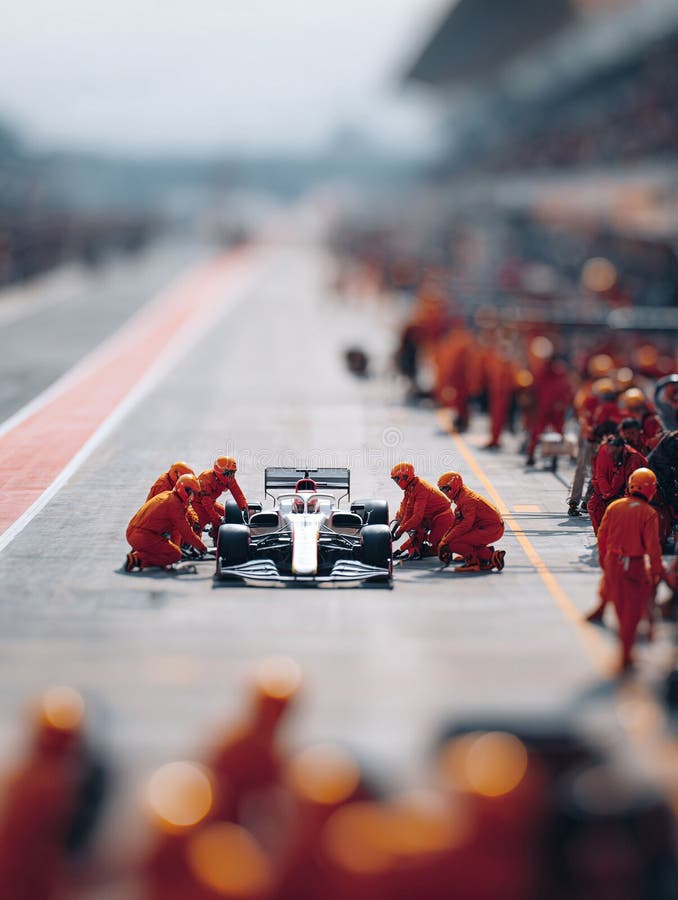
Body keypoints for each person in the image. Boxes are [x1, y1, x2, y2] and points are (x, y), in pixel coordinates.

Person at [594, 468, 665, 672]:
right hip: (634, 566)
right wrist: (657, 572)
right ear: (651, 489)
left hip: (613, 562)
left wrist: (604, 562)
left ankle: (626, 651)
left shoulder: (615, 506)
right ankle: (626, 655)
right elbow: (653, 548)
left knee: (620, 608)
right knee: (632, 612)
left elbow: (602, 536)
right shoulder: (649, 514)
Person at [125, 474, 206, 572]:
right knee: (175, 555)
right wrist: (202, 547)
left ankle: (147, 552)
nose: (193, 497)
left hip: (136, 531)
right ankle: (137, 559)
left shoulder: (170, 495)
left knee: (173, 543)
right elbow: (186, 533)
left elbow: (186, 515)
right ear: (186, 491)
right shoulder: (174, 505)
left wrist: (194, 520)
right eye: (193, 493)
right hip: (142, 536)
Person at [436, 472, 506, 572]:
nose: (444, 492)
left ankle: (474, 562)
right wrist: (443, 540)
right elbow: (456, 523)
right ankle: (489, 556)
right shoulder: (461, 495)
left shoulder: (467, 500)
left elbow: (465, 525)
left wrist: (445, 542)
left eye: (446, 489)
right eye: (442, 490)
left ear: (454, 485)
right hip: (487, 527)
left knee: (455, 543)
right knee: (454, 539)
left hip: (491, 529)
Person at [390, 462, 455, 560]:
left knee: (436, 549)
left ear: (405, 477)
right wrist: (397, 524)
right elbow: (405, 510)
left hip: (442, 519)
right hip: (430, 518)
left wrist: (400, 533)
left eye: (397, 479)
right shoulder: (410, 488)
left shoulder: (421, 489)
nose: (396, 482)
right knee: (411, 526)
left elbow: (417, 517)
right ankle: (414, 550)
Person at [587, 436, 647, 534]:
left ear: (620, 448)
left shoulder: (632, 459)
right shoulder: (617, 455)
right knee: (594, 506)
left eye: (613, 454)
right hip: (619, 493)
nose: (612, 457)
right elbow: (604, 476)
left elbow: (632, 486)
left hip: (636, 496)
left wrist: (616, 499)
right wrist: (608, 495)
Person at [146, 460, 200, 542]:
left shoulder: (177, 485)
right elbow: (165, 509)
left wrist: (194, 519)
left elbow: (185, 504)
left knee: (190, 522)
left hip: (166, 515)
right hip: (155, 520)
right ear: (176, 475)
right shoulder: (162, 485)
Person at [193, 456, 248, 533]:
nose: (231, 476)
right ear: (220, 472)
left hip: (211, 502)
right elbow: (207, 504)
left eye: (233, 473)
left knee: (228, 515)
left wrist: (244, 507)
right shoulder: (206, 479)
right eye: (229, 473)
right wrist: (218, 519)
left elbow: (237, 492)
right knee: (201, 523)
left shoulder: (229, 478)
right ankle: (189, 542)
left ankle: (218, 536)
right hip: (197, 504)